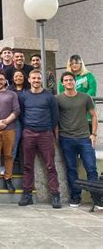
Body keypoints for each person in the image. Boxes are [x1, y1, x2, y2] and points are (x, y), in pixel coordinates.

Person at [18, 70, 61, 208]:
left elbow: (55, 117)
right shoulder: (24, 96)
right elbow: (22, 114)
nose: (36, 80)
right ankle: (27, 194)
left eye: (38, 78)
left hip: (45, 134)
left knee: (50, 165)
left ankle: (55, 195)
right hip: (29, 133)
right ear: (29, 80)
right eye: (33, 78)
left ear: (41, 80)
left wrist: (49, 130)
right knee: (27, 165)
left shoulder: (49, 97)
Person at [57, 72, 98, 207]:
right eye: (66, 80)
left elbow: (93, 116)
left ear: (75, 82)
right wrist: (56, 137)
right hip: (66, 138)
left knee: (91, 168)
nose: (69, 82)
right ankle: (75, 197)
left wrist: (93, 134)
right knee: (71, 168)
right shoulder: (58, 99)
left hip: (84, 138)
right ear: (62, 83)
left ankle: (97, 197)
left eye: (71, 80)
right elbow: (55, 120)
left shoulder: (85, 97)